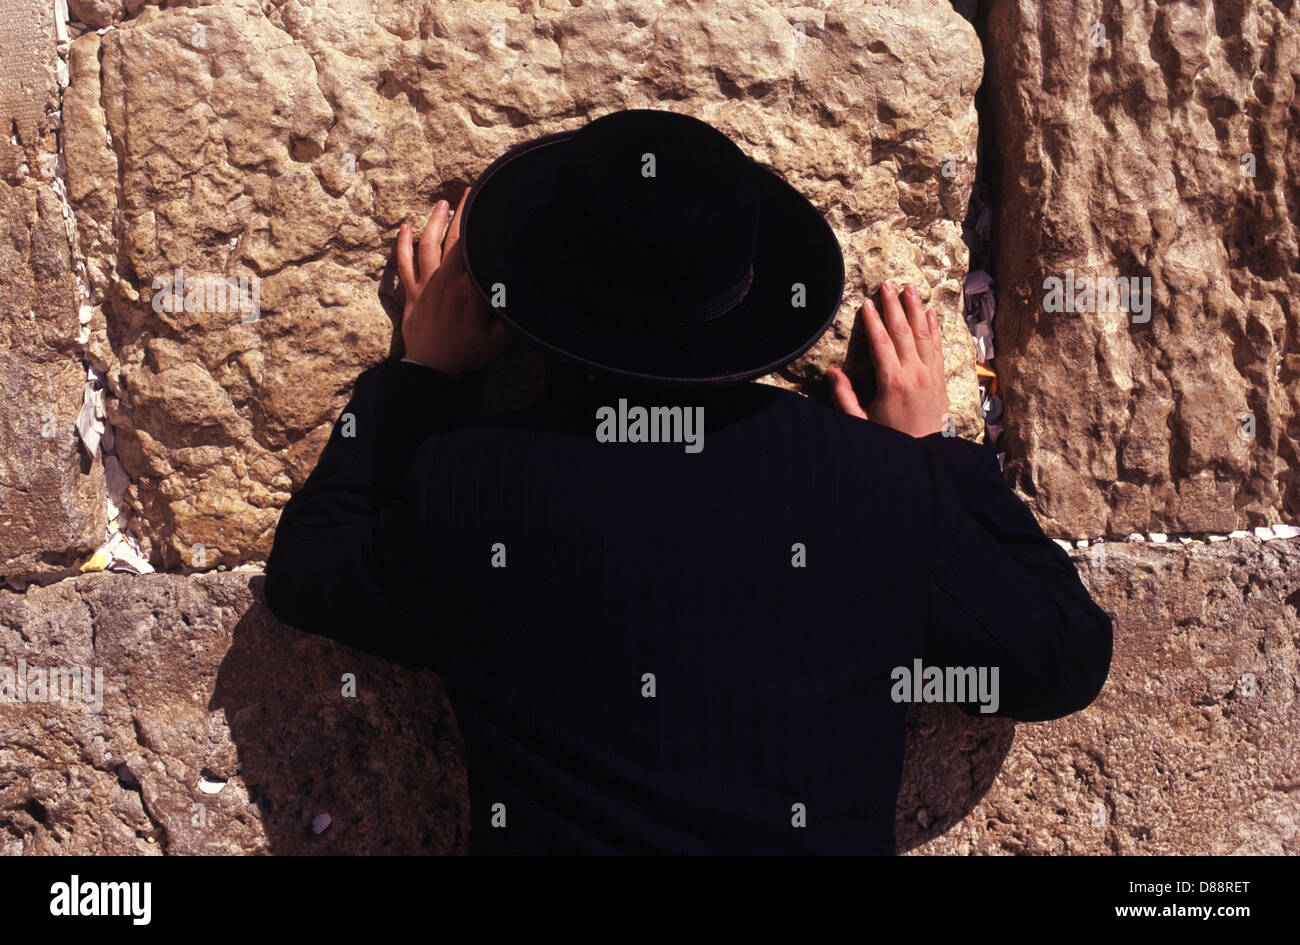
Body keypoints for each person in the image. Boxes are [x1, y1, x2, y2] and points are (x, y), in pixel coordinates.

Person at [264, 109, 1112, 855]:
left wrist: (422, 376)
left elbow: (309, 571)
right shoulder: (882, 490)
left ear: (542, 298)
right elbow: (1062, 658)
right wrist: (934, 455)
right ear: (744, 301)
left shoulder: (472, 486)